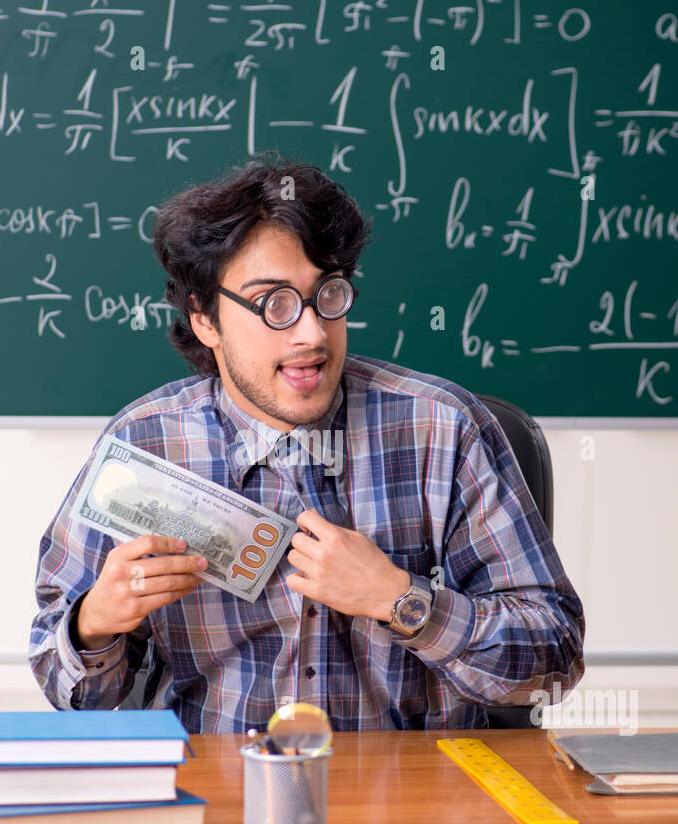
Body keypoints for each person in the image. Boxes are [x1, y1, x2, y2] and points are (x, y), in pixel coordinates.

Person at [29, 155, 584, 731]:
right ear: (205, 320)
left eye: (328, 296)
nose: (313, 333)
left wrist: (400, 600)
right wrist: (95, 623)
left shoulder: (445, 430)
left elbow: (555, 663)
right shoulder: (144, 444)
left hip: (414, 798)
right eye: (275, 304)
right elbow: (68, 685)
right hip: (217, 792)